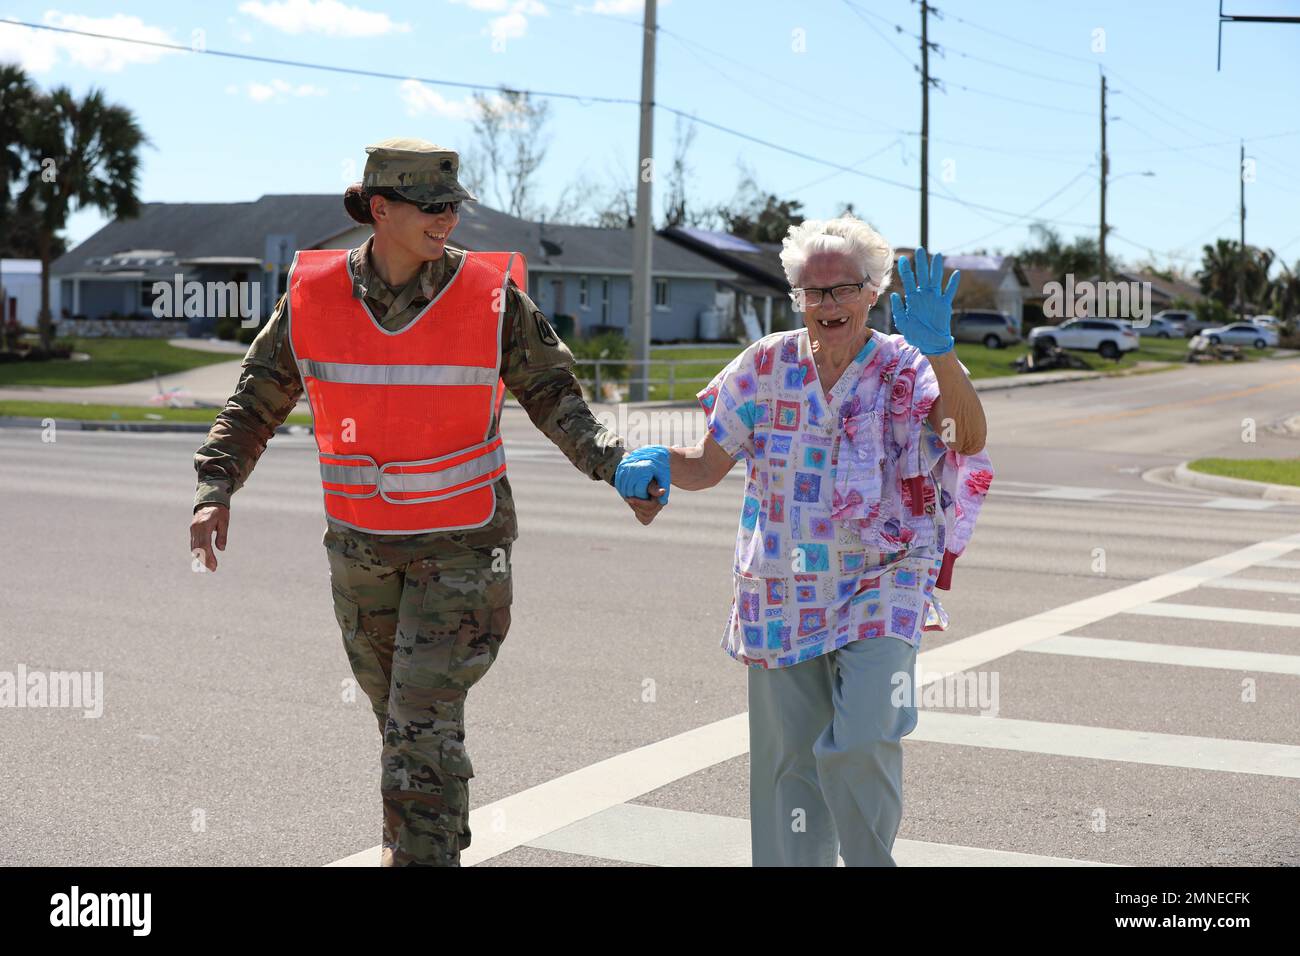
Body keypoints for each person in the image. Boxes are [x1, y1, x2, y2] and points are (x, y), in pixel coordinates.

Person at [188, 138, 669, 867]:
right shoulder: (313, 298)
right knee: (401, 724)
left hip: (464, 549)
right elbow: (254, 400)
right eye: (432, 207)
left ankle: (420, 855)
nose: (448, 219)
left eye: (454, 206)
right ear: (380, 210)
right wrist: (215, 485)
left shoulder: (491, 297)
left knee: (421, 721)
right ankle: (415, 840)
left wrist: (614, 465)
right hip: (361, 552)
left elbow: (557, 400)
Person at [648, 214, 994, 866]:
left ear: (874, 292)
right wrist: (646, 463)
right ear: (798, 295)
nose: (829, 303)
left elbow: (966, 438)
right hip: (781, 585)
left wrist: (942, 350)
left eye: (845, 288)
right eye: (815, 290)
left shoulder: (906, 366)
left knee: (864, 736)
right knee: (788, 769)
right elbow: (706, 463)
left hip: (883, 577)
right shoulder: (764, 365)